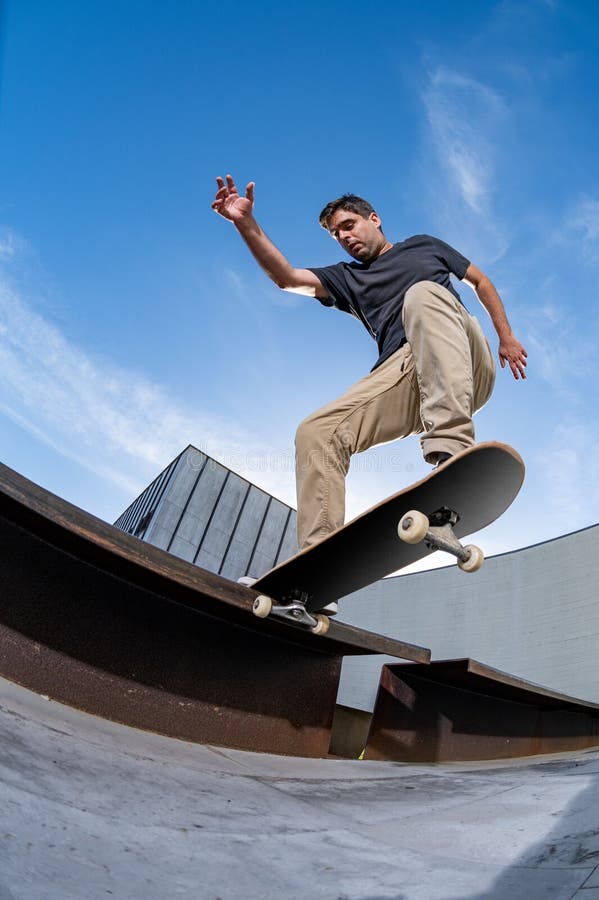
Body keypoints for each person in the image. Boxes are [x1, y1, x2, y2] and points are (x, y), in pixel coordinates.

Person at [212, 174, 527, 607]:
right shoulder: (347, 279)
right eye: (336, 234)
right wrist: (245, 224)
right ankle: (316, 566)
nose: (344, 237)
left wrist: (506, 337)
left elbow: (482, 282)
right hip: (405, 374)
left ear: (373, 219)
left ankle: (451, 452)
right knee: (316, 433)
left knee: (422, 296)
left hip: (463, 359)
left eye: (348, 225)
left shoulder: (424, 246)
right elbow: (286, 278)